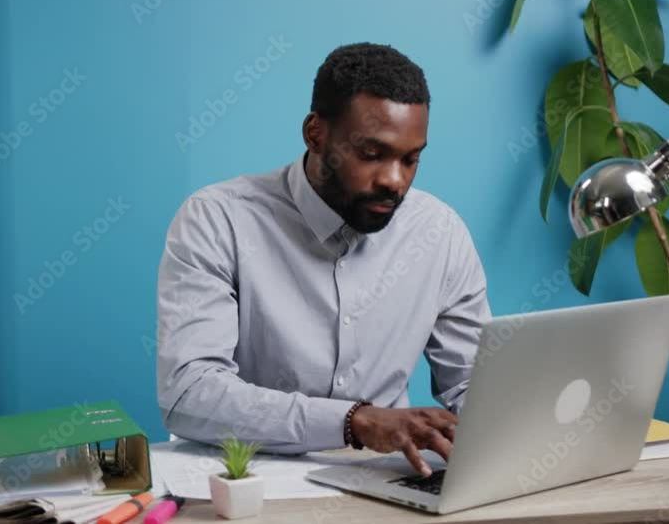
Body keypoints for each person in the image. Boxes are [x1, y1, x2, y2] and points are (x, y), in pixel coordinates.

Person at [156, 42, 490, 476]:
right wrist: (355, 422)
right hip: (252, 482)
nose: (394, 180)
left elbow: (474, 386)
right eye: (372, 154)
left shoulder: (439, 232)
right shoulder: (217, 220)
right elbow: (189, 393)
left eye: (411, 160)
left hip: (388, 481)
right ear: (315, 133)